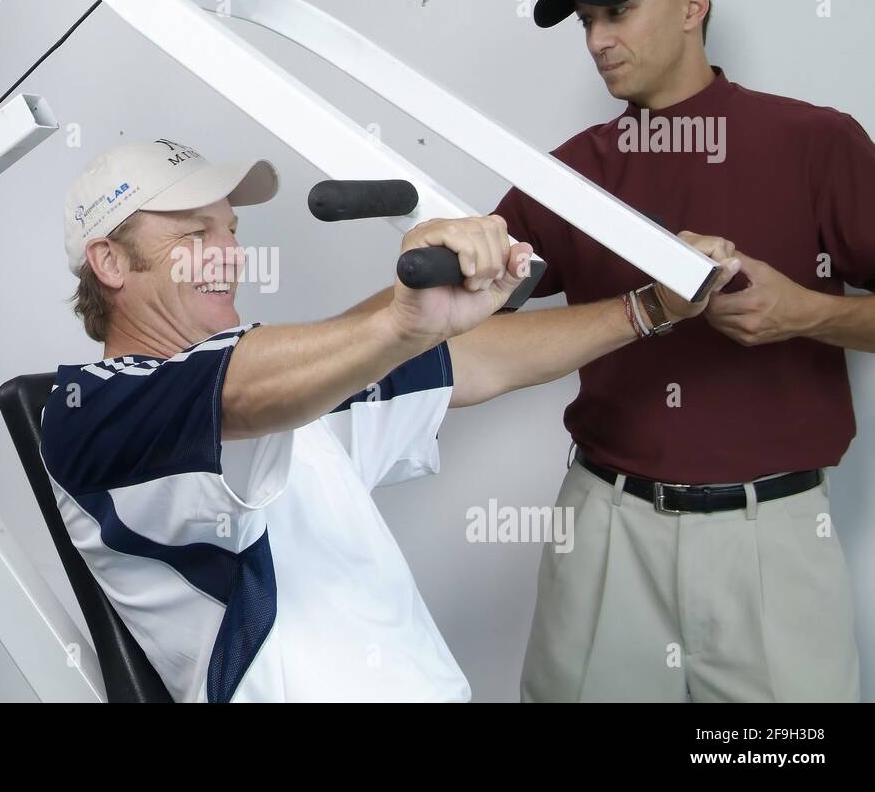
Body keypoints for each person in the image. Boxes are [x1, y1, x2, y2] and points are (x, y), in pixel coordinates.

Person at [39, 137, 738, 702]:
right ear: (109, 260)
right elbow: (231, 392)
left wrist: (647, 308)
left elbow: (474, 360)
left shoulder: (291, 387)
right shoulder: (91, 412)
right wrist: (401, 323)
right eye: (196, 234)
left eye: (232, 229)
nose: (231, 253)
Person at [496, 0, 875, 701]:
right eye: (588, 20)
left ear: (692, 5)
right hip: (606, 530)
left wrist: (808, 311)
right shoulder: (572, 177)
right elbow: (467, 312)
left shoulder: (816, 142)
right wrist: (436, 249)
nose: (598, 39)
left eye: (618, 11)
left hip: (770, 540)